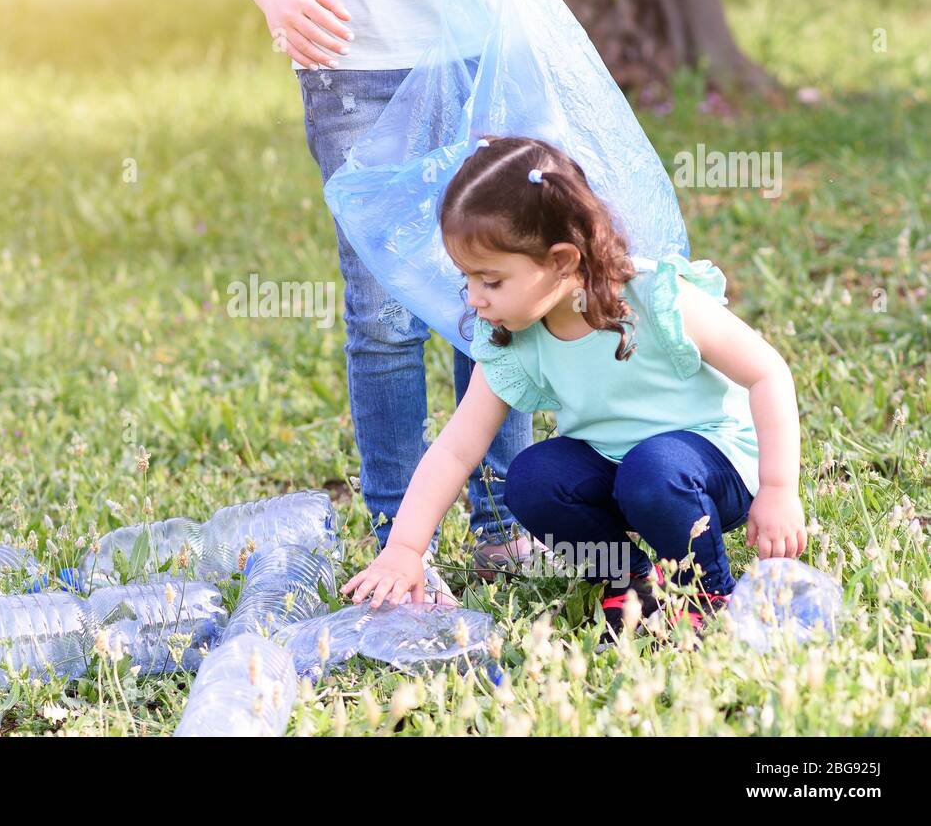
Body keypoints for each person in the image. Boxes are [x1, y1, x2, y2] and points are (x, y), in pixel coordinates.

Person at [210, 0, 574, 594]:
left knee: (499, 294)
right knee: (383, 317)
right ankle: (400, 539)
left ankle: (501, 528)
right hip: (354, 64)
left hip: (487, 37)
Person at [341, 136, 807, 641]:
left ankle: (705, 594)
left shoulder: (655, 299)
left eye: (491, 281)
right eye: (467, 279)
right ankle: (627, 585)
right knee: (533, 478)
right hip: (622, 470)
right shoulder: (514, 336)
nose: (474, 298)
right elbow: (456, 450)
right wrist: (405, 548)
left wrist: (779, 490)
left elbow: (768, 373)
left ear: (562, 260)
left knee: (652, 468)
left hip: (709, 468)